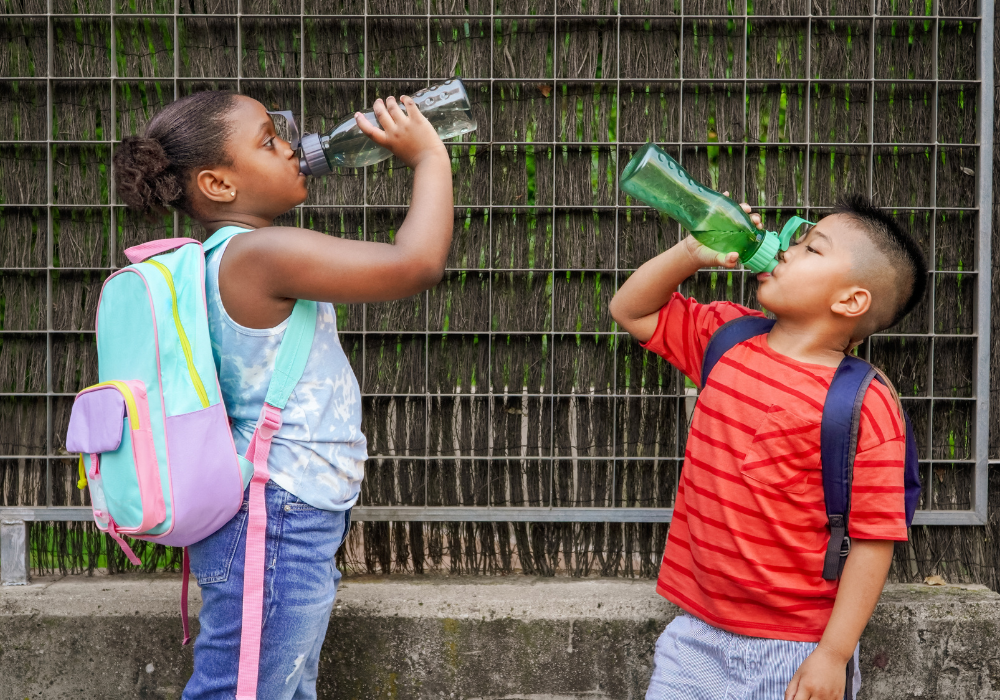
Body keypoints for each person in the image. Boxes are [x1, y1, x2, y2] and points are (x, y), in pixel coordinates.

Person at [113, 90, 453, 699]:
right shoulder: (260, 255)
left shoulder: (229, 257)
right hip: (276, 513)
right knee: (245, 689)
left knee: (279, 685)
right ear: (218, 184)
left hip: (283, 508)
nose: (292, 147)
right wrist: (429, 158)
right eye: (268, 140)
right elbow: (417, 263)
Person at [609, 195, 927, 700]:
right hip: (695, 633)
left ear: (850, 301)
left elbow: (874, 540)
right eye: (795, 237)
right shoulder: (727, 337)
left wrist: (834, 655)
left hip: (797, 649)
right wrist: (692, 251)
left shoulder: (865, 404)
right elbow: (629, 309)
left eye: (810, 247)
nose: (783, 248)